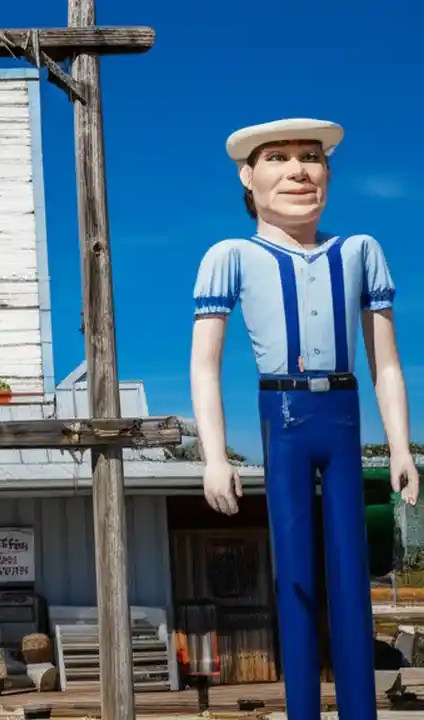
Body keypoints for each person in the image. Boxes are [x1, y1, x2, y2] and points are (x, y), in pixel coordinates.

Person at [190, 117, 418, 719]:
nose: (297, 170)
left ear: (329, 171)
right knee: (294, 579)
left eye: (311, 157)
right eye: (278, 158)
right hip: (282, 414)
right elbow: (205, 366)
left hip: (342, 414)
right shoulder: (230, 255)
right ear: (248, 175)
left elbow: (386, 363)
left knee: (352, 583)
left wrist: (401, 447)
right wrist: (214, 458)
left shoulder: (360, 251)